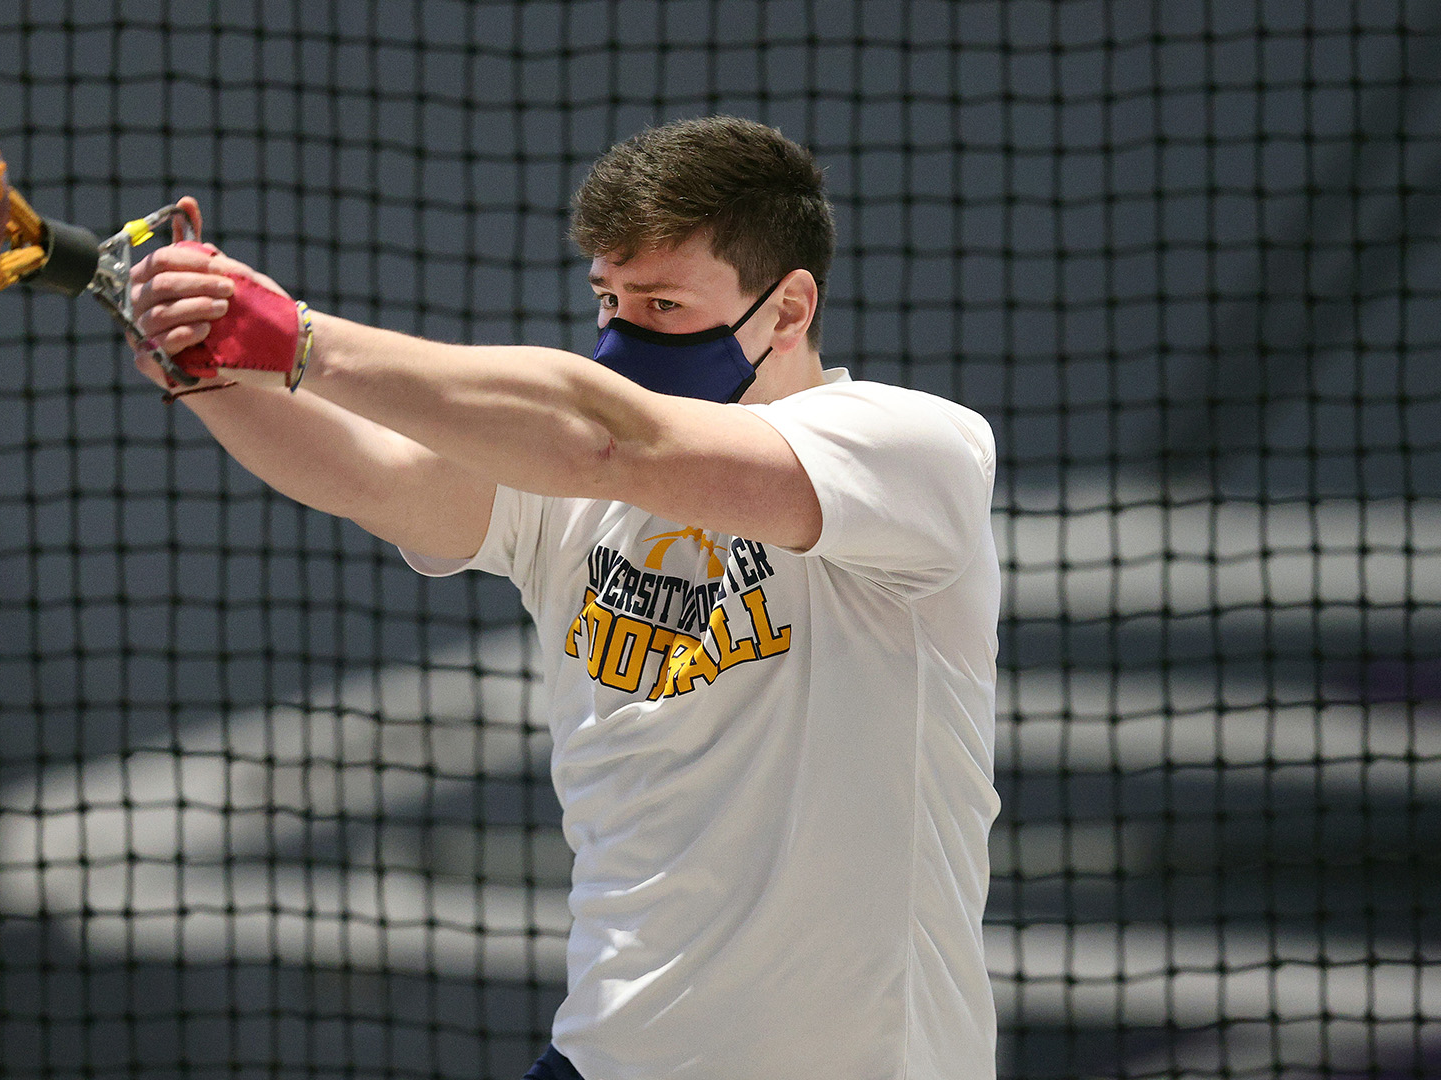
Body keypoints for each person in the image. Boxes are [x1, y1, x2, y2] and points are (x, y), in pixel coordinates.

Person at [127, 116, 1000, 1080]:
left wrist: (297, 339)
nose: (623, 334)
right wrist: (209, 374)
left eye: (663, 304)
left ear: (789, 310)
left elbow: (612, 437)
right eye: (608, 300)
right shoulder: (563, 483)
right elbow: (379, 480)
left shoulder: (907, 450)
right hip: (606, 1058)